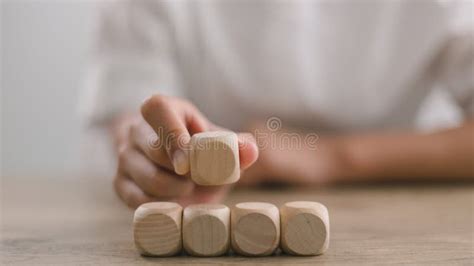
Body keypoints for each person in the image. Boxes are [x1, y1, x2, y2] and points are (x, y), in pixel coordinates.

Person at [81, 0, 473, 208]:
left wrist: (330, 156)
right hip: (195, 202)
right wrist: (150, 146)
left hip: (387, 205)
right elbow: (133, 107)